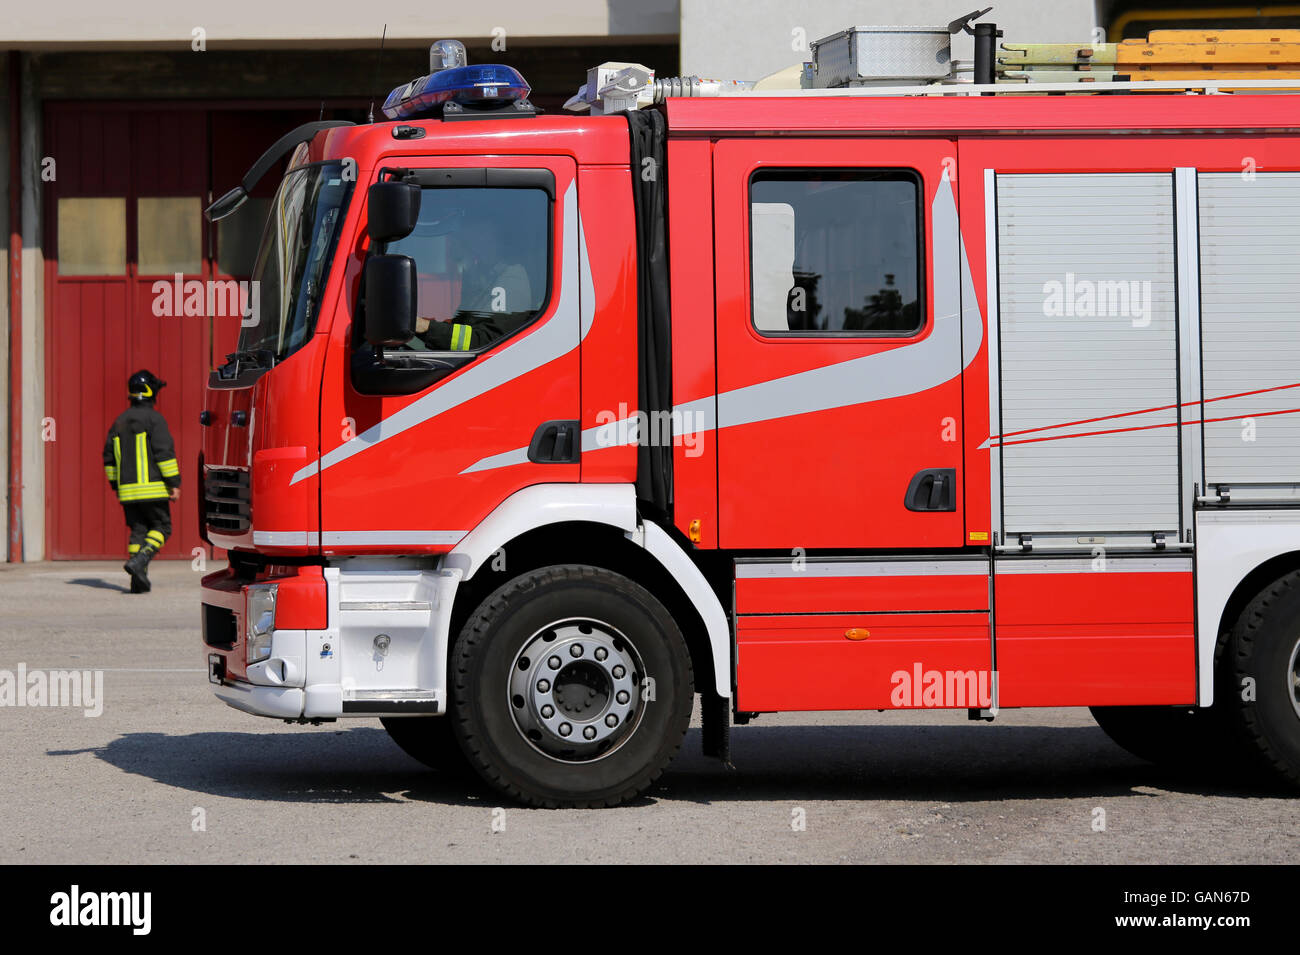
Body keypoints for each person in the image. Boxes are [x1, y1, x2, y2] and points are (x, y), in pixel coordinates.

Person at [102, 370, 181, 593]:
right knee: (162, 527)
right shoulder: (154, 419)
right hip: (153, 489)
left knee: (138, 530)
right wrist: (174, 483)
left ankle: (138, 580)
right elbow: (164, 453)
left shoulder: (119, 422)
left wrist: (116, 486)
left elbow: (108, 459)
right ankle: (140, 561)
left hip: (127, 492)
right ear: (151, 392)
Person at [413, 217, 534, 351]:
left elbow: (488, 341)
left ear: (492, 239)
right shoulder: (484, 277)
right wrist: (423, 328)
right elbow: (464, 332)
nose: (462, 246)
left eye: (470, 239)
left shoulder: (511, 277)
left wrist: (426, 327)